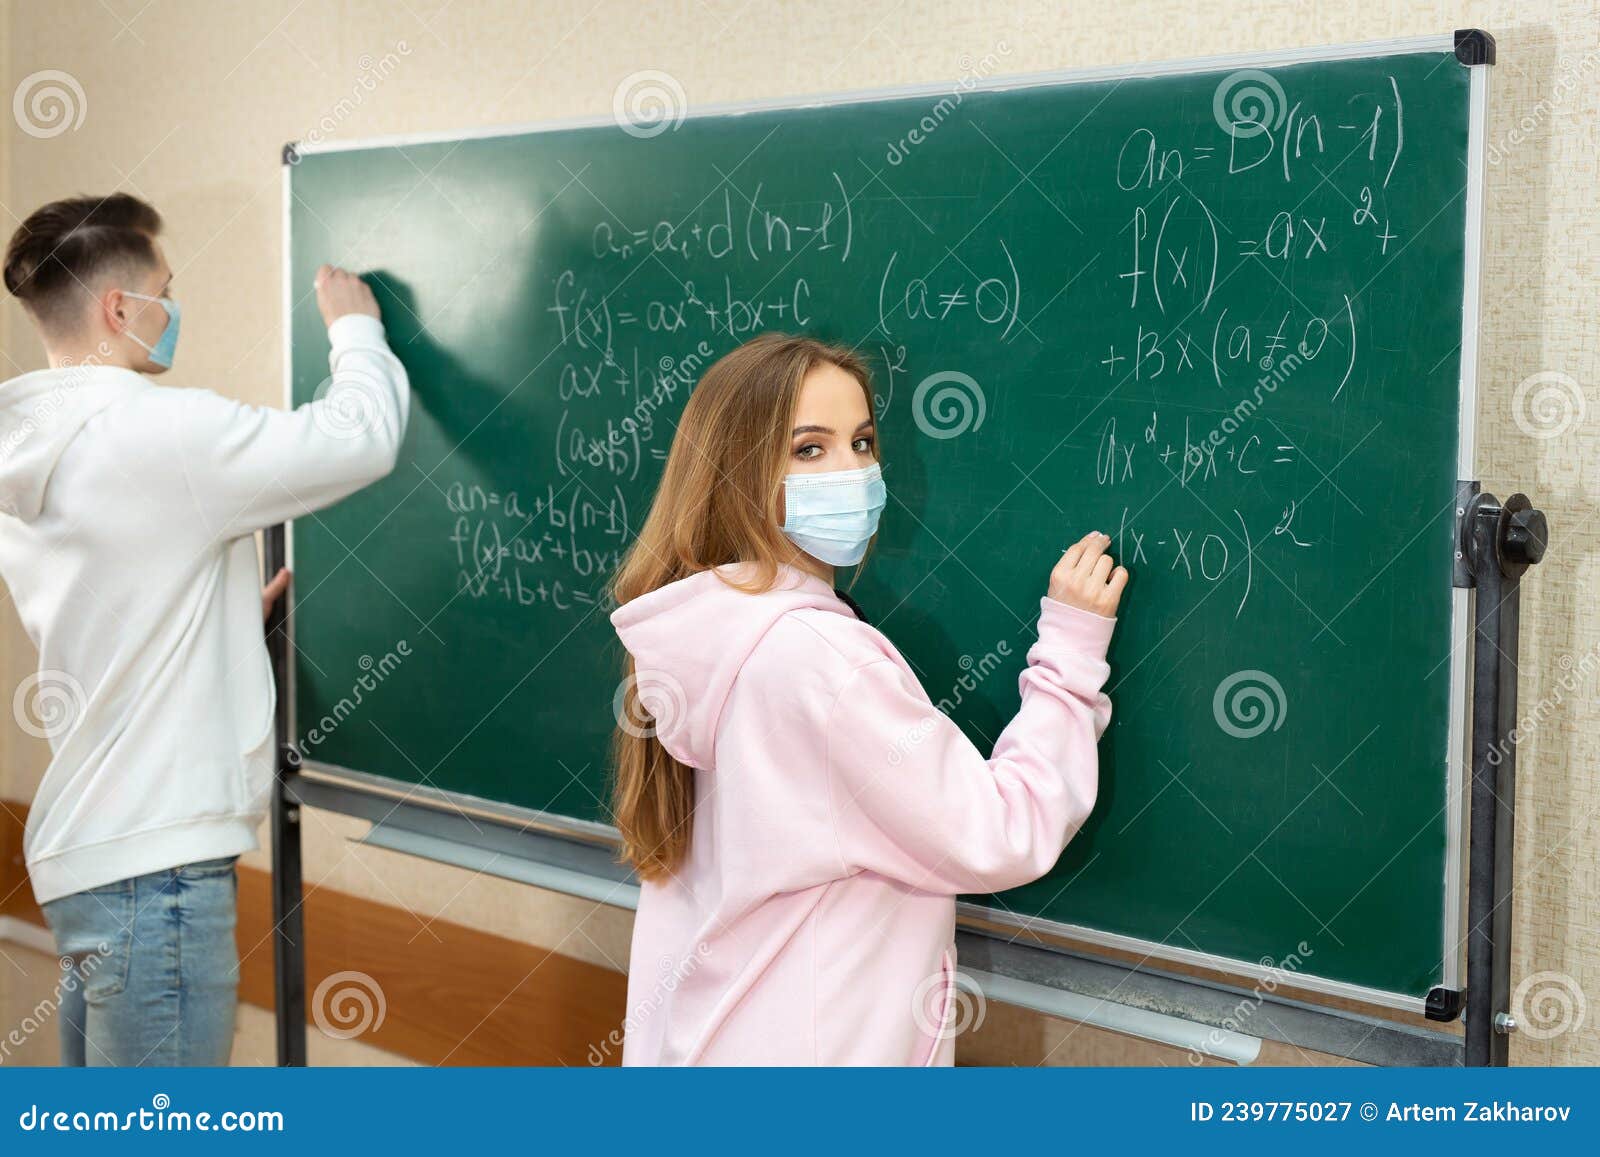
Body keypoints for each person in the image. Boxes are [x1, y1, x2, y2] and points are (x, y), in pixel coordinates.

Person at [608, 333, 1125, 1065]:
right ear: (736, 473)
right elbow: (1002, 829)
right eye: (809, 449)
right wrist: (1069, 655)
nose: (851, 470)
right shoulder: (820, 663)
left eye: (862, 441)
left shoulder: (701, 636)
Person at [0, 193, 409, 1066]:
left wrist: (225, 622)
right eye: (165, 289)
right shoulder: (156, 430)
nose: (171, 308)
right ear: (119, 309)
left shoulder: (25, 441)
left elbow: (116, 594)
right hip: (162, 873)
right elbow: (360, 439)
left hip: (87, 852)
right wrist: (356, 332)